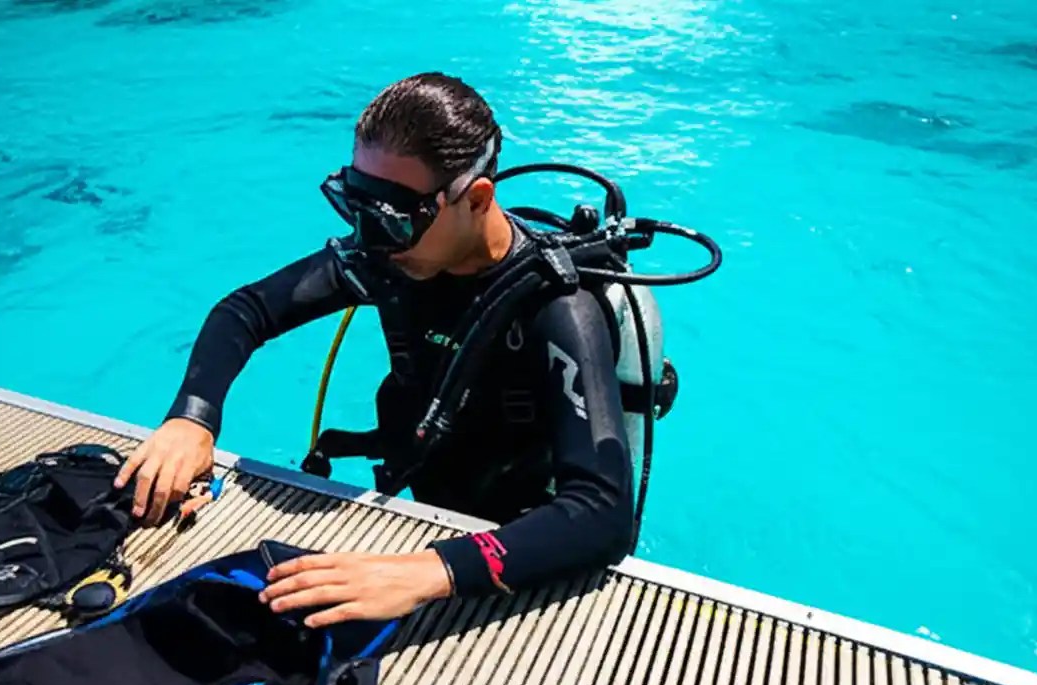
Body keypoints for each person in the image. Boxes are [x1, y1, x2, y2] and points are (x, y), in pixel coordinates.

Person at [115, 71, 664, 629]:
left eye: (394, 219)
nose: (371, 238)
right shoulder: (390, 259)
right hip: (421, 508)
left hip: (522, 545)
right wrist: (192, 418)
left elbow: (601, 515)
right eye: (358, 205)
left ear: (476, 199)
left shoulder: (557, 306)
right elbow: (245, 311)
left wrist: (430, 571)